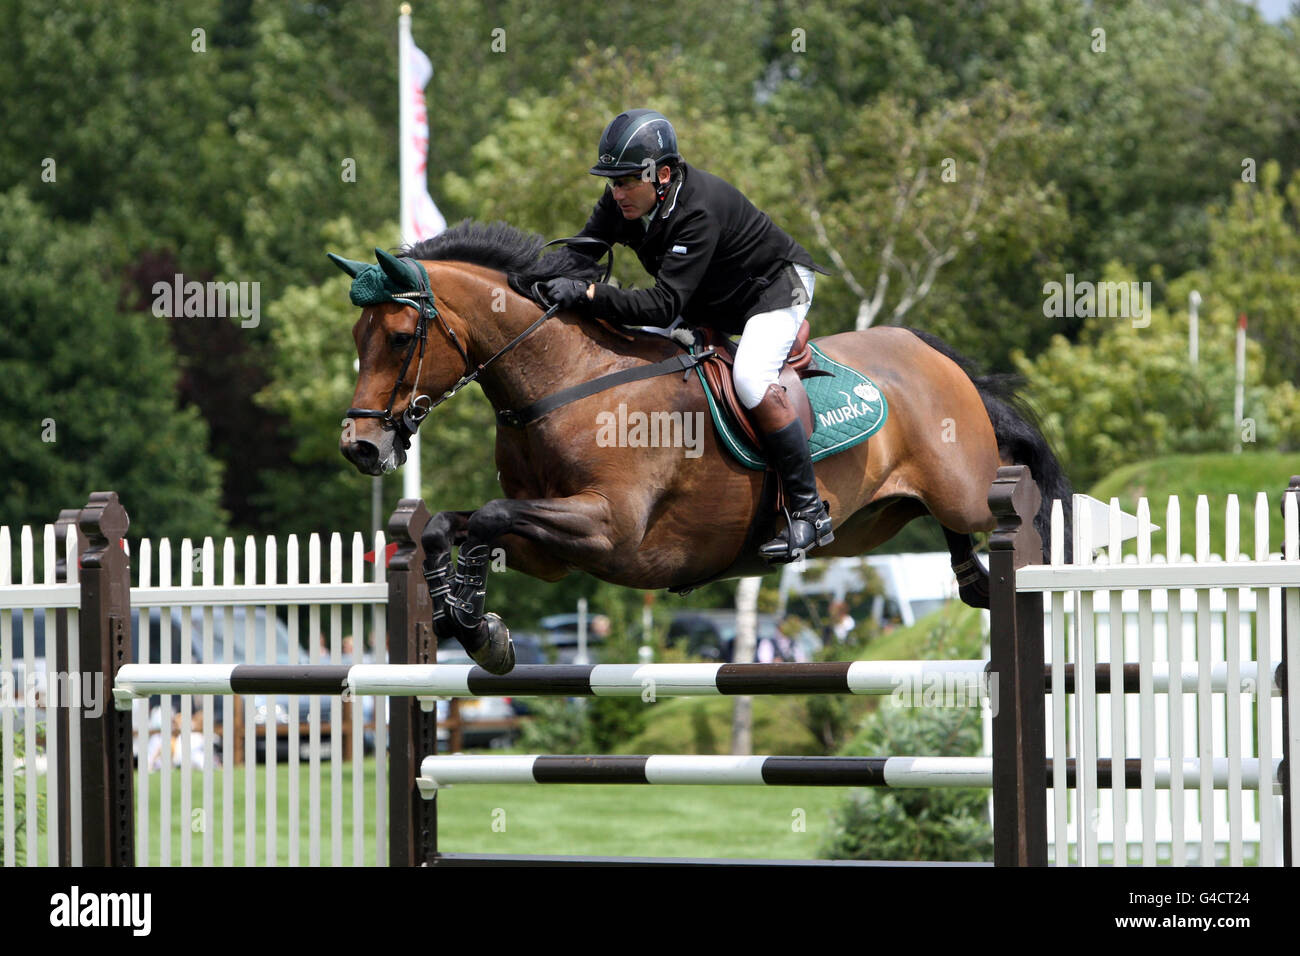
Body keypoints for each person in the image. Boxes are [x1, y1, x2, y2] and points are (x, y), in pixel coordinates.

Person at [542, 108, 833, 563]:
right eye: (612, 182)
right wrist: (538, 283)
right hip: (710, 296)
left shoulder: (698, 210)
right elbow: (585, 249)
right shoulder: (624, 199)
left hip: (773, 290)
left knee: (752, 379)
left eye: (625, 182)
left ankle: (809, 511)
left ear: (661, 175)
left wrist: (590, 292)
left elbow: (662, 305)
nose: (617, 193)